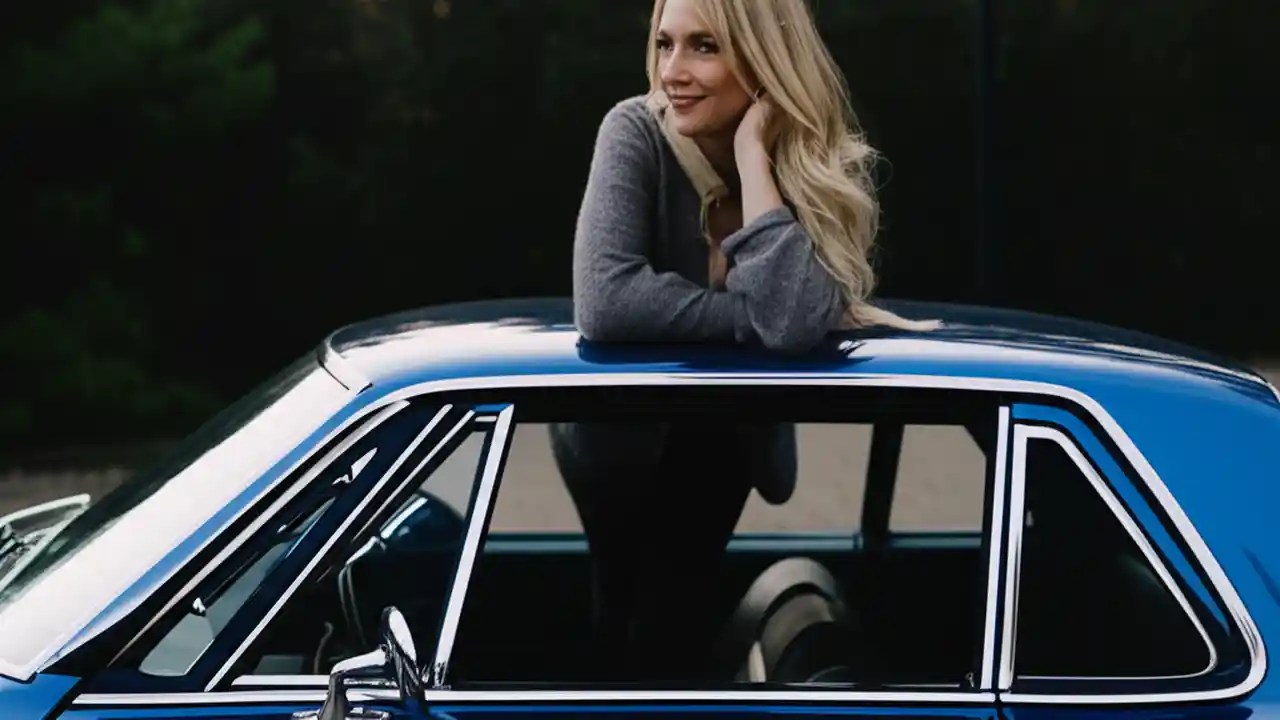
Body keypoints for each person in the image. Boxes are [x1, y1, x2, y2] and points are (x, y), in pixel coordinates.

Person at [550, 0, 936, 682]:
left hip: (725, 442)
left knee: (668, 638)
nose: (673, 71)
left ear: (762, 59)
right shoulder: (633, 133)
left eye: (704, 47)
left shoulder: (801, 160)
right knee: (630, 645)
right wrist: (745, 319)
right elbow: (606, 304)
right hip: (617, 450)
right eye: (664, 44)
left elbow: (788, 319)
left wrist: (756, 157)